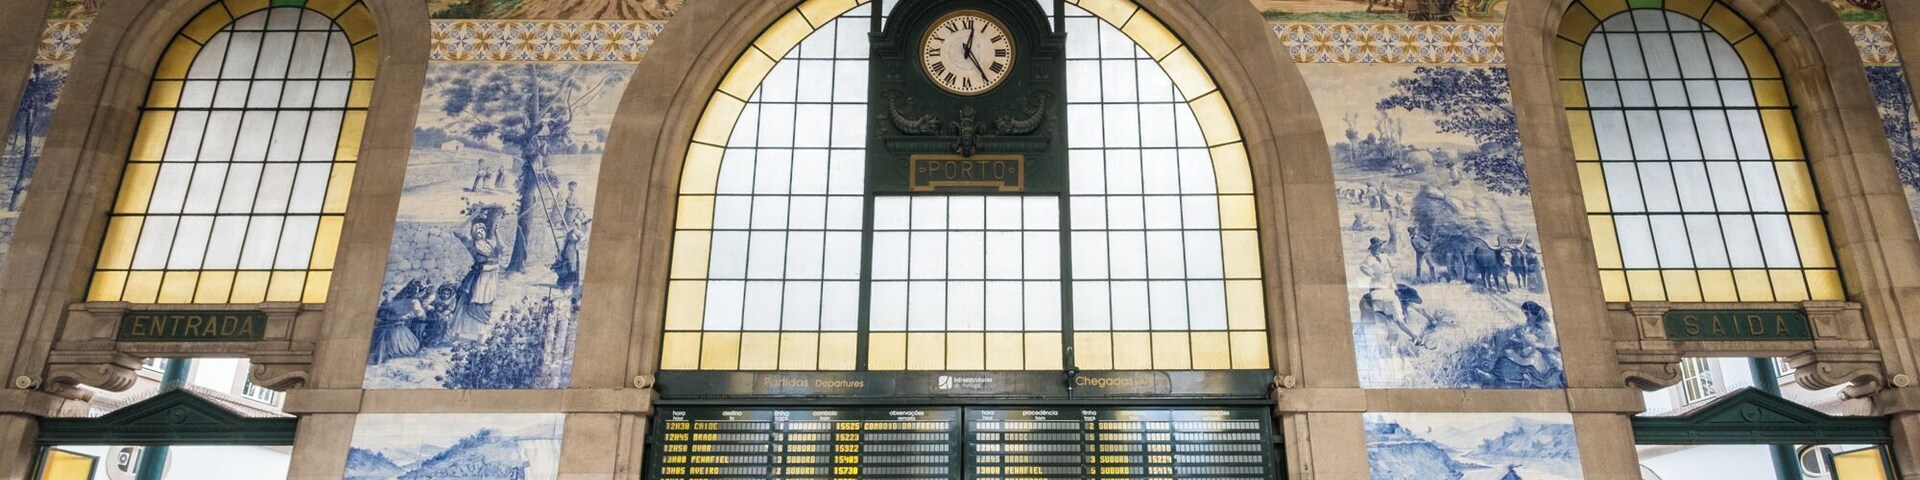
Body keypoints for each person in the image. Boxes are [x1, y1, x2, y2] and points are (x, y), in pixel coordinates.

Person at [451, 218, 502, 341]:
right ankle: (457, 335)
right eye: (477, 230)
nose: (480, 232)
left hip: (491, 279)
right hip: (478, 278)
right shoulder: (472, 244)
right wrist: (471, 217)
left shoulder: (490, 244)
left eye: (482, 230)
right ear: (473, 233)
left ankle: (480, 337)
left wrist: (496, 232)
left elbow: (502, 247)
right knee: (467, 304)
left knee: (486, 306)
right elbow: (457, 231)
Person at [368, 283, 424, 364]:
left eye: (414, 291)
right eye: (411, 290)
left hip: (397, 323)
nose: (412, 293)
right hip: (391, 322)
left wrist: (406, 316)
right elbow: (386, 310)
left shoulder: (413, 301)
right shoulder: (395, 298)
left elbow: (418, 313)